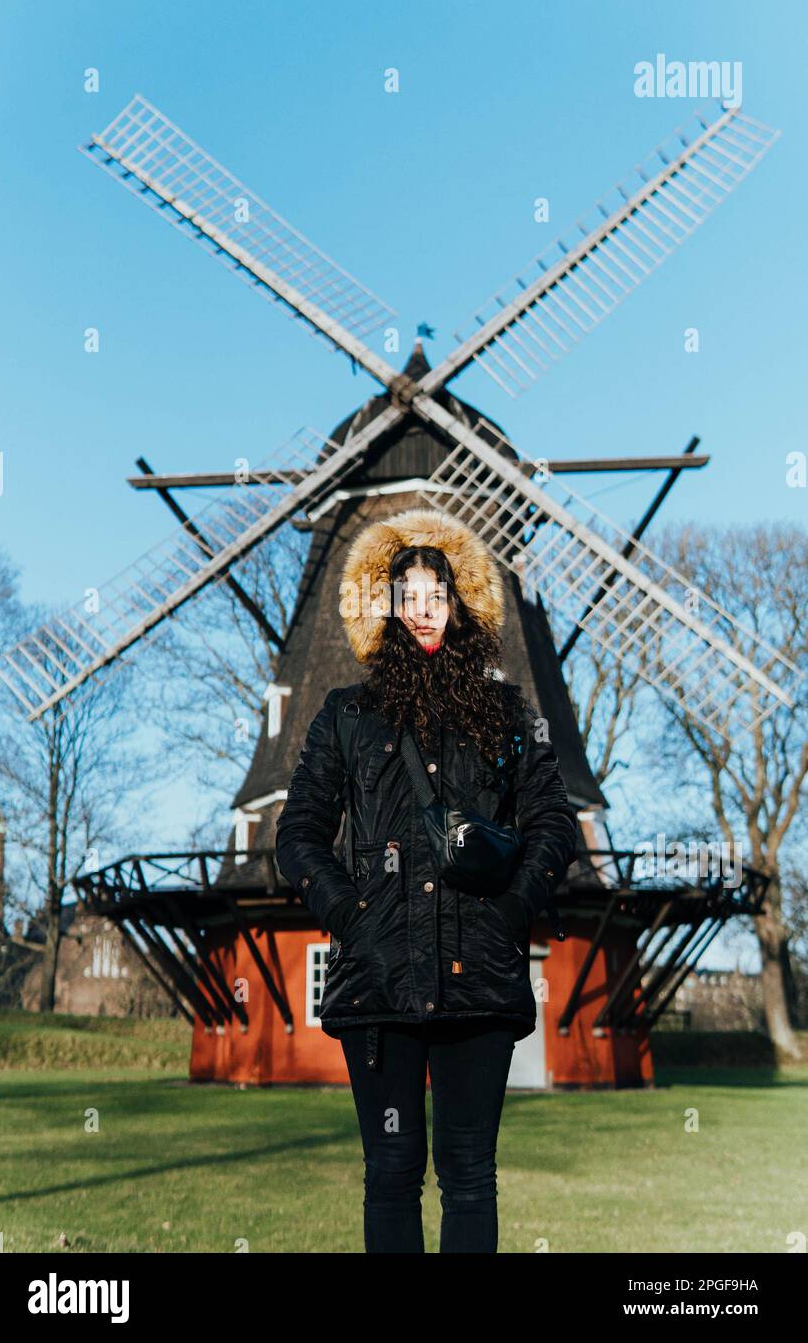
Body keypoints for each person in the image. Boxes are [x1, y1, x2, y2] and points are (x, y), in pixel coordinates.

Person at [275, 506, 578, 1253]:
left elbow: (552, 824)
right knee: (391, 1169)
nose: (422, 609)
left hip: (477, 977)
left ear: (460, 602)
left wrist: (509, 914)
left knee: (471, 1172)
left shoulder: (507, 716)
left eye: (436, 593)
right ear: (383, 605)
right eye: (406, 594)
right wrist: (349, 918)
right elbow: (299, 832)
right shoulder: (347, 715)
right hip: (378, 983)